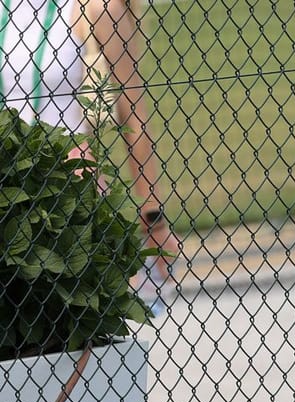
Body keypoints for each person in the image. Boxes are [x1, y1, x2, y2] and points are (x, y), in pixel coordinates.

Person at [1, 0, 181, 305]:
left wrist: (153, 219)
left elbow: (133, 113)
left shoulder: (94, 8)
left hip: (70, 199)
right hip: (7, 193)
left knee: (79, 340)